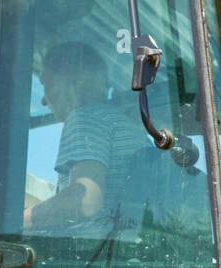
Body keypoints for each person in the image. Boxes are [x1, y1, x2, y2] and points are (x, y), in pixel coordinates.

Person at [25, 41, 143, 233]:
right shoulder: (121, 124)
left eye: (46, 84)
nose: (44, 100)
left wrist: (15, 221)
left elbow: (84, 203)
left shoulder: (85, 118)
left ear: (72, 78)